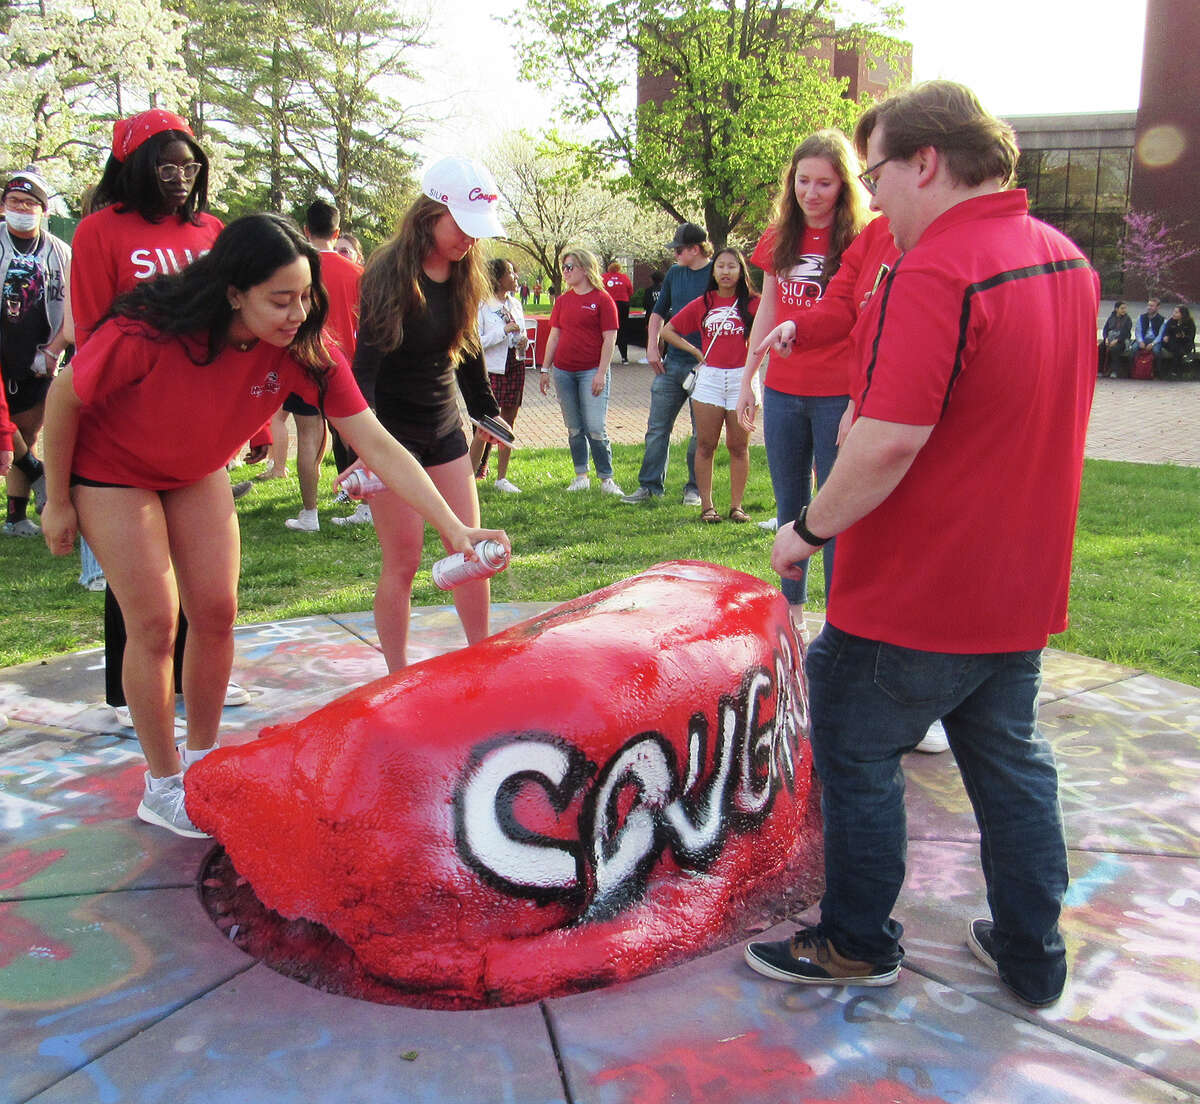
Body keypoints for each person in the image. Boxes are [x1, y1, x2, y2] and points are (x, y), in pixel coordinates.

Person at [743, 81, 1099, 1009]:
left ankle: (857, 939)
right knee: (1011, 763)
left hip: (915, 592)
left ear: (926, 163)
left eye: (877, 173)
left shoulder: (933, 270)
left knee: (854, 749)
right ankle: (1032, 946)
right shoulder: (1067, 261)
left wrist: (805, 531)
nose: (876, 198)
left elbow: (889, 438)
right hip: (1019, 587)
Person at [39, 213, 509, 838]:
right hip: (112, 472)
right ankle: (162, 784)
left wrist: (455, 529)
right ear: (234, 292)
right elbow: (65, 396)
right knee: (153, 622)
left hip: (195, 469)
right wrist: (57, 501)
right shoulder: (147, 331)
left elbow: (378, 442)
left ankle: (202, 763)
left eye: (306, 296)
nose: (297, 312)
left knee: (217, 611)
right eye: (279, 300)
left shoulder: (308, 352)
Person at [70, 109, 247, 723]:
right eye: (167, 165)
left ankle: (197, 687)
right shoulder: (99, 232)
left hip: (193, 431)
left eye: (190, 165)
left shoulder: (210, 231)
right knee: (145, 590)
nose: (180, 176)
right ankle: (131, 695)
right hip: (120, 435)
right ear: (137, 166)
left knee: (210, 597)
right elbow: (91, 337)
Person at [352, 156, 513, 672]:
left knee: (469, 550)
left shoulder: (467, 272)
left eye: (477, 230)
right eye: (463, 226)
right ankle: (395, 674)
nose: (470, 239)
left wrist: (485, 411)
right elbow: (365, 369)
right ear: (431, 214)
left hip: (442, 426)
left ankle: (480, 660)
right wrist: (364, 450)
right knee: (403, 562)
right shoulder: (389, 272)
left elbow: (462, 350)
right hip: (391, 433)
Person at [735, 131, 869, 626]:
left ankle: (841, 620)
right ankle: (791, 616)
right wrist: (749, 377)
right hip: (785, 391)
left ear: (845, 186)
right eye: (803, 181)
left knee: (834, 508)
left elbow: (866, 319)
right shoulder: (778, 237)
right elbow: (767, 310)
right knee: (791, 502)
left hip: (838, 392)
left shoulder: (861, 238)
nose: (811, 194)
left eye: (825, 183)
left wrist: (859, 397)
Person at [277, 199, 363, 533]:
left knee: (308, 437)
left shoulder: (296, 269)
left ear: (306, 230)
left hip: (304, 361)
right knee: (355, 436)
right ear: (337, 232)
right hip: (346, 363)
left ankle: (310, 514)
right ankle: (364, 505)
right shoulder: (357, 273)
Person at [661, 248, 759, 523]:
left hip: (743, 378)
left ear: (741, 271)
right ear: (713, 272)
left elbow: (770, 331)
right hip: (710, 379)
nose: (726, 272)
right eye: (720, 267)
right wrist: (695, 351)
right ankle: (707, 506)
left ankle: (736, 506)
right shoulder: (704, 302)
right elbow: (667, 330)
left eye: (732, 267)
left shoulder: (754, 303)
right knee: (706, 444)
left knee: (739, 445)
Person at [1, 167, 71, 538]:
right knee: (5, 427)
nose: (22, 208)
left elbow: (73, 306)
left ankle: (15, 515)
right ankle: (36, 468)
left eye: (30, 203)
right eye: (15, 201)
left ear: (43, 209)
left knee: (26, 429)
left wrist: (55, 349)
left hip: (38, 355)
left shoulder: (60, 252)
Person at [620, 223, 708, 505]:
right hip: (672, 364)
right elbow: (658, 313)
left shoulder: (716, 273)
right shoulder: (674, 273)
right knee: (658, 427)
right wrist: (652, 347)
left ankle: (694, 489)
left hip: (705, 367)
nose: (675, 254)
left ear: (695, 250)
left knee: (700, 431)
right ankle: (649, 486)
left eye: (679, 249)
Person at [538, 249, 623, 495]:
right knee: (574, 427)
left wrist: (601, 373)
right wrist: (545, 368)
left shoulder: (603, 299)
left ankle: (606, 479)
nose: (565, 272)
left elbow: (610, 339)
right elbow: (554, 335)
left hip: (591, 371)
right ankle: (581, 475)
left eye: (570, 267)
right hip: (564, 371)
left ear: (585, 269)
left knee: (595, 426)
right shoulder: (563, 301)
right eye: (564, 267)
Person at [470, 258, 528, 494]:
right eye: (511, 273)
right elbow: (476, 342)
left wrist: (522, 342)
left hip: (515, 364)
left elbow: (520, 334)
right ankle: (475, 472)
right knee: (486, 423)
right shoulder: (483, 305)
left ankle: (502, 477)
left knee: (509, 420)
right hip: (492, 369)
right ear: (498, 278)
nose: (515, 277)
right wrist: (502, 331)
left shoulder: (515, 304)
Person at [602, 261, 634, 364]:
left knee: (607, 329)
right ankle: (624, 357)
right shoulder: (624, 277)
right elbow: (630, 292)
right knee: (623, 329)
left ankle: (604, 358)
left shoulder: (604, 277)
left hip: (610, 305)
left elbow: (600, 291)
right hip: (623, 305)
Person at [1153, 304, 1194, 377]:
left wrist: (1183, 336)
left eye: (1176, 312)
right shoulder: (1171, 321)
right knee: (1176, 349)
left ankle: (1173, 371)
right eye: (1174, 312)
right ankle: (1174, 371)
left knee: (1179, 350)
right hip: (1172, 343)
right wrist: (1166, 335)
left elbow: (1190, 337)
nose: (1173, 314)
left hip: (1184, 344)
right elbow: (1166, 330)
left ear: (1183, 314)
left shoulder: (1190, 323)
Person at [1100, 301, 1132, 378]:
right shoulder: (1111, 317)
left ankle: (1114, 371)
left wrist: (1117, 340)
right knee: (1101, 348)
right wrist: (1106, 339)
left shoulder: (1127, 319)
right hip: (1110, 338)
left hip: (1121, 340)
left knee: (1115, 349)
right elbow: (1105, 329)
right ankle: (1102, 370)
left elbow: (1125, 332)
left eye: (1125, 308)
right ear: (1116, 309)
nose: (1124, 310)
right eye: (1122, 308)